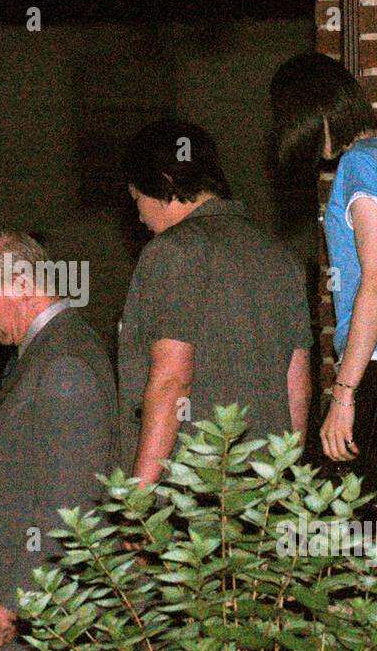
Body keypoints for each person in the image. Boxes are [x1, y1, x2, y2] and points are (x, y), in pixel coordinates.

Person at [269, 53, 377, 473]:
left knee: (344, 521)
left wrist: (344, 392)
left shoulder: (359, 164)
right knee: (376, 522)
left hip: (375, 366)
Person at [117, 119, 314, 484]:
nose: (140, 215)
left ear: (164, 182)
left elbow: (172, 380)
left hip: (193, 498)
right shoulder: (280, 256)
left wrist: (139, 499)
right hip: (263, 491)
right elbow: (297, 386)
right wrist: (284, 483)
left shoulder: (172, 252)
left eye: (137, 199)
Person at [0, 230, 117, 651]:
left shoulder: (63, 364)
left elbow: (68, 504)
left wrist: (14, 599)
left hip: (22, 612)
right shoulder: (47, 351)